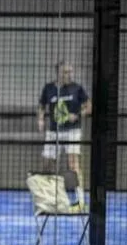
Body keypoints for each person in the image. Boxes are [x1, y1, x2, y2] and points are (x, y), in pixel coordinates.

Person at [37, 61, 91, 207]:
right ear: (58, 73)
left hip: (72, 130)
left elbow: (89, 106)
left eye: (70, 72)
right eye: (65, 72)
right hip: (54, 131)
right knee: (48, 163)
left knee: (73, 163)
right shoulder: (49, 88)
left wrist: (78, 115)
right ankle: (49, 197)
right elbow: (42, 105)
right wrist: (41, 120)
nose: (68, 75)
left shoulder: (77, 88)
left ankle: (80, 198)